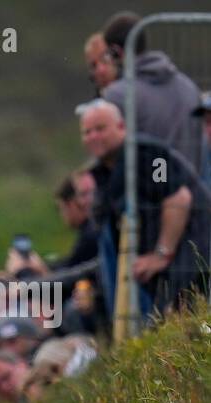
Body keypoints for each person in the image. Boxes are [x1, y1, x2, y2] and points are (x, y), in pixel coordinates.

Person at [81, 99, 209, 317]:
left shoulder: (150, 155)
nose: (93, 137)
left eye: (100, 129)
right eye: (87, 132)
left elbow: (177, 198)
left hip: (192, 259)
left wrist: (161, 254)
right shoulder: (101, 172)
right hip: (153, 275)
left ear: (121, 127)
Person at [99, 12, 203, 172]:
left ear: (116, 51)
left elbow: (107, 152)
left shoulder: (118, 94)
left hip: (148, 190)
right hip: (191, 189)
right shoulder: (189, 87)